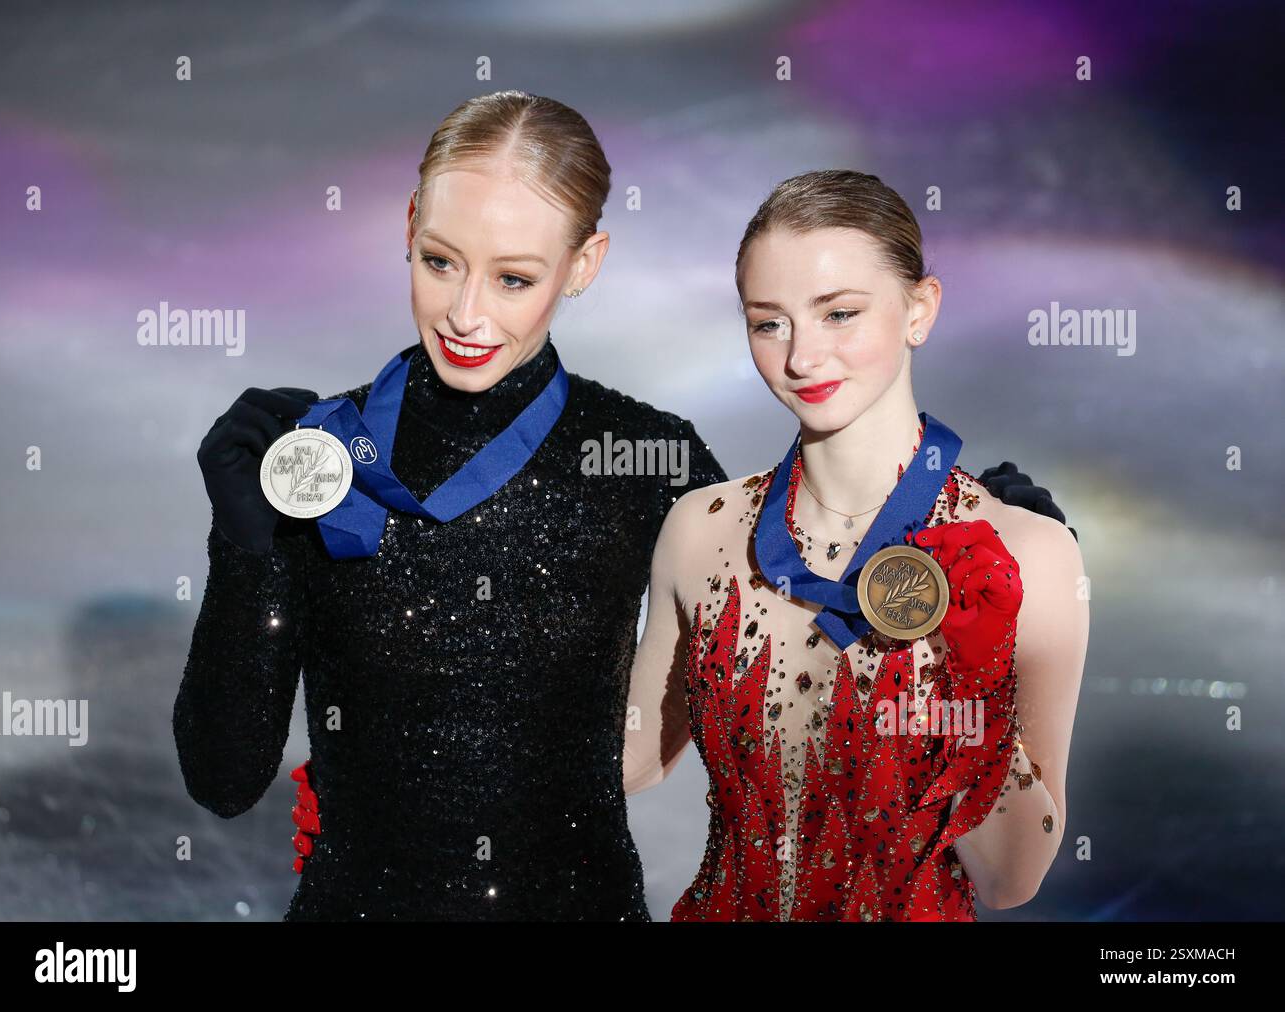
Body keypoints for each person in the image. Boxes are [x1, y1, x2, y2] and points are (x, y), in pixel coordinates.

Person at [176, 92, 1069, 921]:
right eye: (440, 261)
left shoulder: (651, 457)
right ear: (408, 228)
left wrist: (954, 548)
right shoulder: (322, 460)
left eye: (515, 278)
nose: (466, 313)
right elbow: (222, 780)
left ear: (584, 264)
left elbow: (798, 643)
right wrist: (244, 547)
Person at [623, 169, 1088, 922]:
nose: (801, 357)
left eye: (839, 314)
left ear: (920, 309)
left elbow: (1010, 879)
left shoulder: (1029, 550)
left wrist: (968, 671)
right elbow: (629, 759)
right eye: (768, 322)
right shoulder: (700, 526)